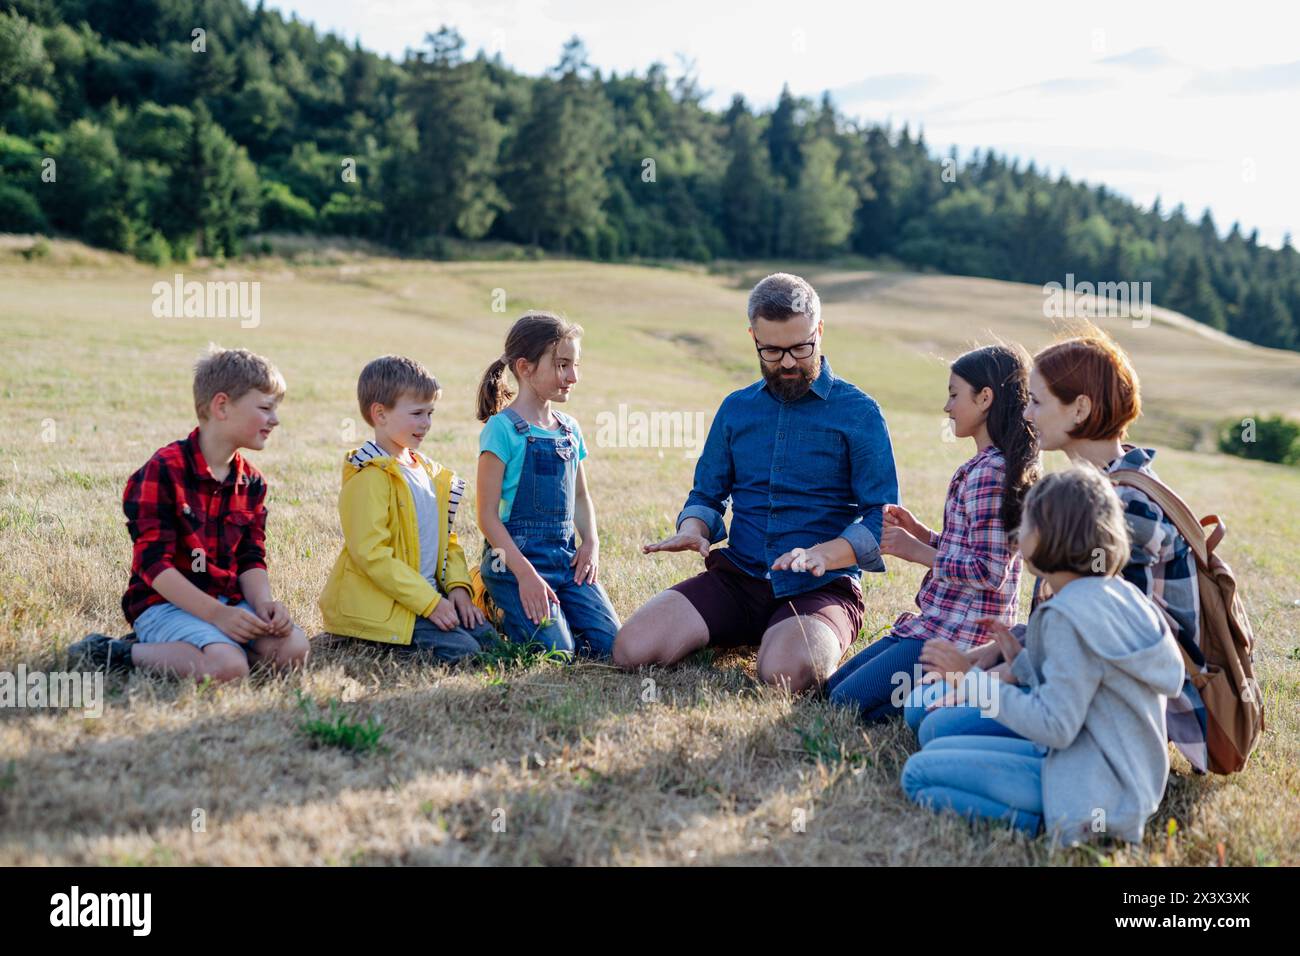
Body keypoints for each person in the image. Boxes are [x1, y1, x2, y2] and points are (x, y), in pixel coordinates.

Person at [613, 272, 899, 692]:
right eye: (772, 350)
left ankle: (782, 637)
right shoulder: (736, 409)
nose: (787, 362)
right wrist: (692, 529)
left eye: (801, 347)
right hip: (739, 577)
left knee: (784, 674)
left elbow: (882, 515)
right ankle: (757, 630)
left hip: (821, 586)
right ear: (753, 338)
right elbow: (707, 494)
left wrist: (824, 554)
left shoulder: (859, 412)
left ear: (820, 331)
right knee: (631, 650)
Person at [900, 466, 1185, 845]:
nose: (1018, 534)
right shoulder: (1116, 593)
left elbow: (1055, 725)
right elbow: (1085, 691)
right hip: (1119, 773)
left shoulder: (1069, 616)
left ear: (1053, 534)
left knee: (918, 775)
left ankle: (1060, 826)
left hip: (1090, 784)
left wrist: (969, 681)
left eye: (1028, 523)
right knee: (935, 736)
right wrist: (1020, 662)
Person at [822, 344, 1038, 721]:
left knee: (844, 704)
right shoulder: (986, 467)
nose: (948, 407)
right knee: (830, 692)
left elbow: (988, 571)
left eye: (955, 394)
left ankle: (950, 692)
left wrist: (917, 552)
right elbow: (973, 549)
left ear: (985, 397)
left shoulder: (990, 472)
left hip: (958, 636)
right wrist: (924, 535)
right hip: (937, 622)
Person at [70, 346, 309, 681]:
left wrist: (263, 604)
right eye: (266, 408)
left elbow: (251, 556)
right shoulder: (163, 470)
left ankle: (193, 647)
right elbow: (153, 566)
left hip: (225, 601)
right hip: (163, 604)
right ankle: (115, 652)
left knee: (292, 651)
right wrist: (216, 615)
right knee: (229, 668)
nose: (275, 419)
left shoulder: (252, 482)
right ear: (222, 406)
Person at [319, 355, 499, 662]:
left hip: (427, 597)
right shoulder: (369, 477)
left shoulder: (429, 473)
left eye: (430, 413)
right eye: (417, 413)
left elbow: (448, 540)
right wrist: (431, 604)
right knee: (465, 653)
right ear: (380, 414)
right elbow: (372, 555)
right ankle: (354, 639)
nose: (426, 423)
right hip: (384, 607)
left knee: (491, 642)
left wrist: (457, 589)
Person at [475, 313, 620, 658]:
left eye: (575, 365)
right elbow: (486, 517)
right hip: (514, 565)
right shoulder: (502, 429)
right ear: (524, 368)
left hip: (566, 560)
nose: (573, 376)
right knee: (558, 653)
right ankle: (496, 605)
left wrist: (592, 543)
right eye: (562, 365)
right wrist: (525, 576)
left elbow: (581, 497)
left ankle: (558, 616)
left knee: (614, 648)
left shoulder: (569, 428)